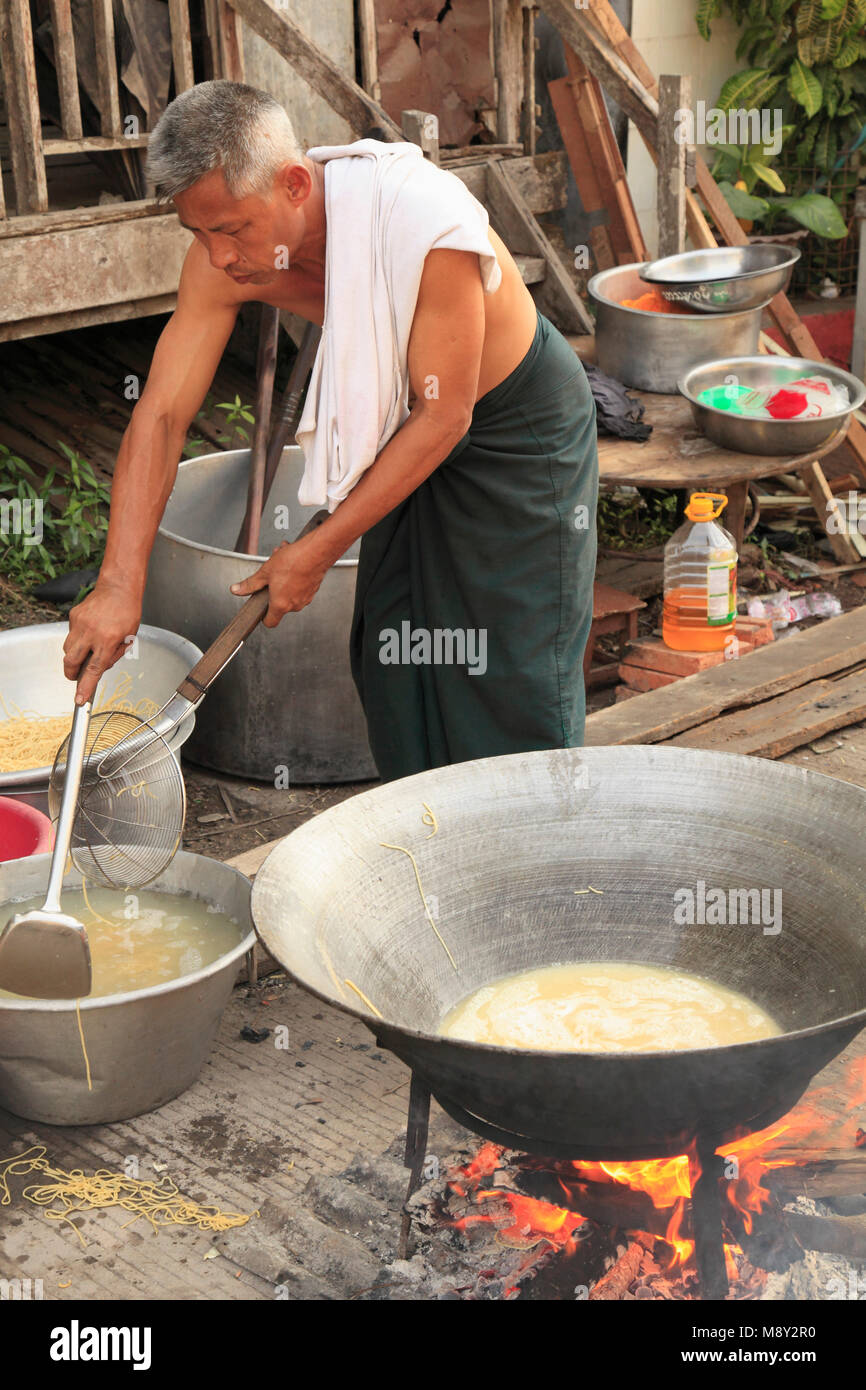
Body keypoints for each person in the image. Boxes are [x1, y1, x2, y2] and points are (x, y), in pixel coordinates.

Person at [64, 80, 598, 781]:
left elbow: (446, 414)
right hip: (404, 433)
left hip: (512, 430)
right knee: (394, 655)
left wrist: (314, 551)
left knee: (510, 663)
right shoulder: (221, 261)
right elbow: (161, 415)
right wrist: (118, 584)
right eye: (196, 232)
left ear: (292, 184)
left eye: (230, 230)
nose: (217, 256)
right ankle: (433, 844)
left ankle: (543, 857)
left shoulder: (422, 220)